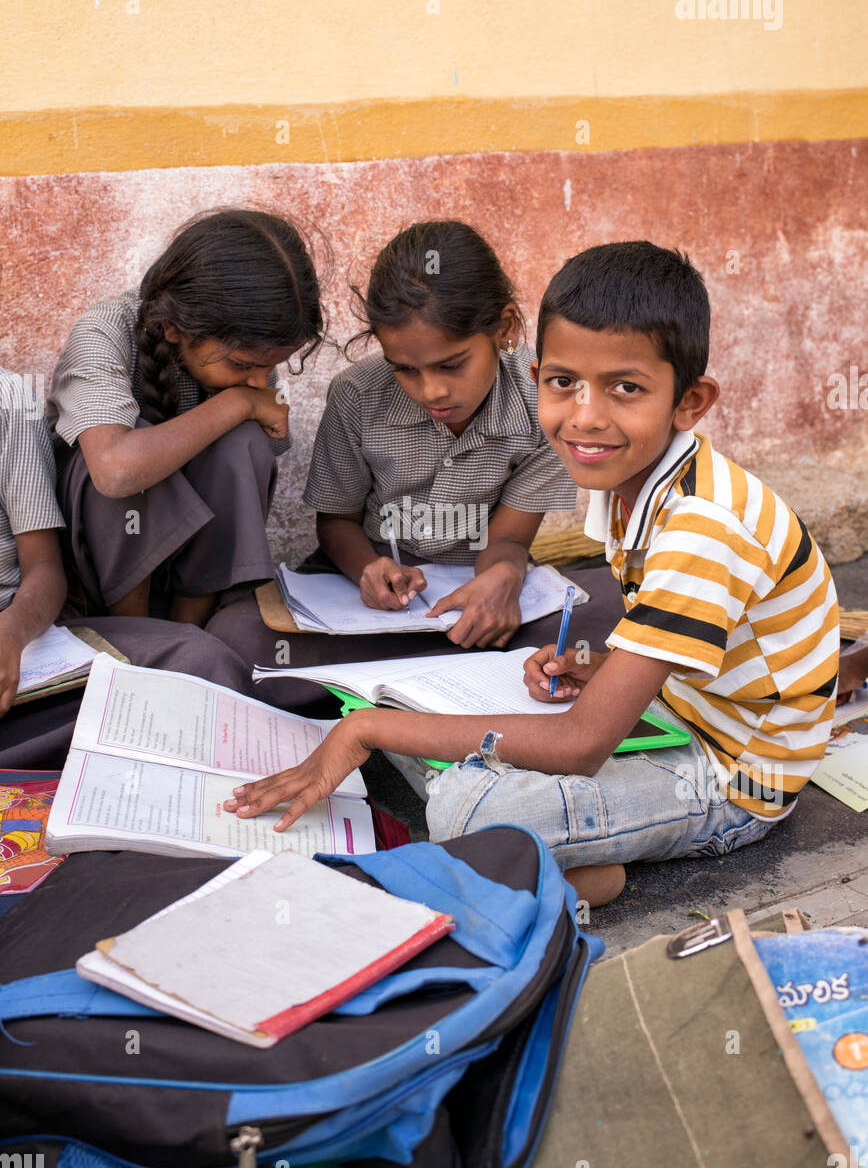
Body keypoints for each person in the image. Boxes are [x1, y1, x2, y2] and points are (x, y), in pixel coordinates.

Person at [224, 242, 840, 908]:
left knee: (464, 805)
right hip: (683, 712)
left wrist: (365, 729)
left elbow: (578, 747)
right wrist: (599, 664)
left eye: (625, 388)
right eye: (564, 383)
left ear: (689, 402)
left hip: (735, 780)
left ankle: (550, 862)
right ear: (539, 374)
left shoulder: (703, 526)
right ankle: (551, 861)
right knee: (423, 729)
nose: (585, 415)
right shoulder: (630, 473)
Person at [206, 219, 590, 710]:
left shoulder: (544, 402)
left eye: (452, 365)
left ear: (506, 328)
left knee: (590, 633)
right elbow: (337, 523)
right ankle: (440, 676)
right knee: (237, 637)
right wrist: (368, 568)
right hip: (373, 601)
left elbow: (510, 540)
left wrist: (504, 579)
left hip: (482, 588)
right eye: (405, 369)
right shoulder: (359, 395)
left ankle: (395, 680)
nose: (431, 391)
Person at [46, 209, 323, 626]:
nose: (258, 379)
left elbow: (250, 466)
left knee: (243, 442)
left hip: (186, 568)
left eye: (266, 367)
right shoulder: (103, 332)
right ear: (175, 328)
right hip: (98, 566)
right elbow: (115, 471)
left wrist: (242, 405)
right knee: (140, 451)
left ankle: (191, 628)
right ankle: (138, 633)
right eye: (244, 364)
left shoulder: (250, 353)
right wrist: (237, 404)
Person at [0, 366, 259, 769]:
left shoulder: (10, 400)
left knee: (202, 661)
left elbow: (45, 568)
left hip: (24, 652)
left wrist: (12, 634)